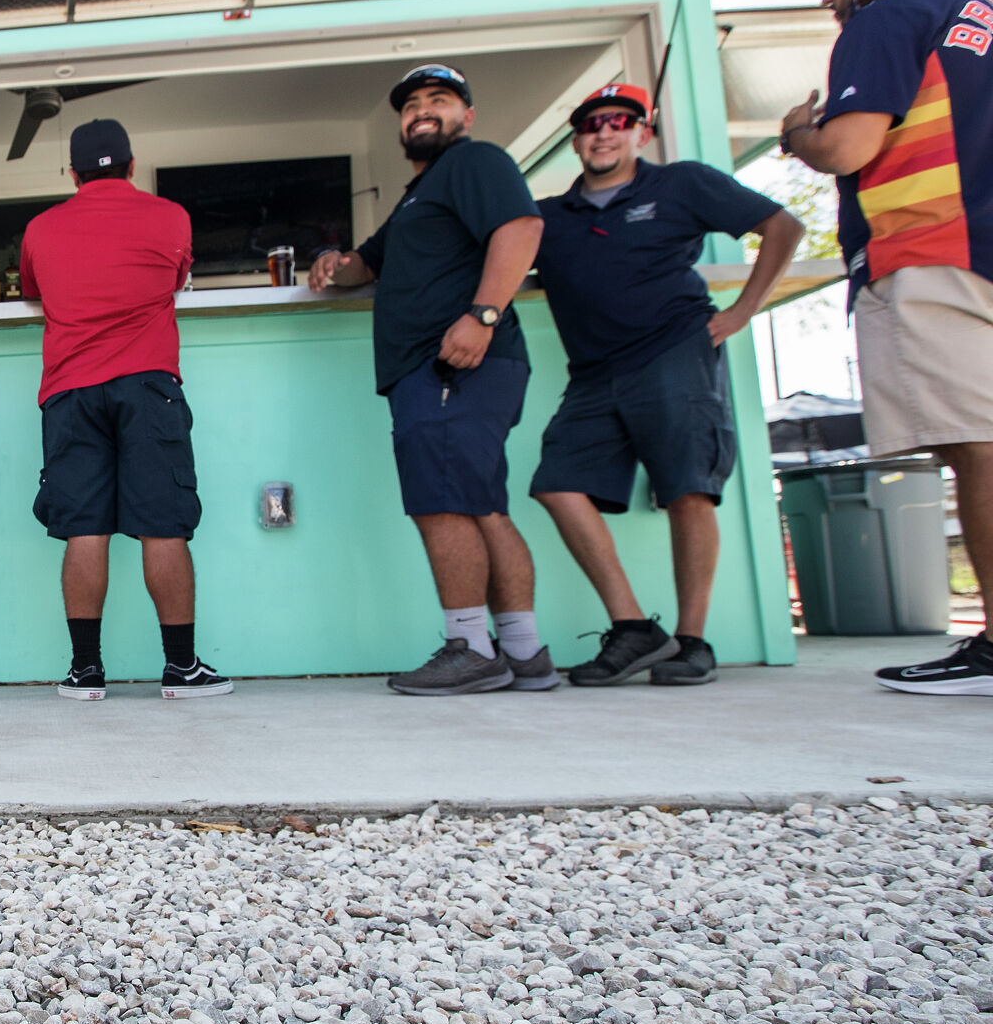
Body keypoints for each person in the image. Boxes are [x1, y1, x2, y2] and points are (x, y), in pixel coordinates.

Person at [780, 0, 993, 697]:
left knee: (975, 444)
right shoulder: (979, 7)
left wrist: (795, 135)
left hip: (934, 248)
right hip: (981, 245)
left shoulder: (887, 19)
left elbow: (848, 145)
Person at [531, 84, 804, 685]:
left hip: (673, 351)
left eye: (619, 122)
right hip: (593, 373)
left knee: (687, 490)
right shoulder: (548, 216)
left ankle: (693, 641)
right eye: (591, 124)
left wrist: (742, 312)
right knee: (556, 485)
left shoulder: (681, 183)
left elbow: (783, 226)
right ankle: (633, 630)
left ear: (641, 133)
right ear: (576, 139)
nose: (604, 132)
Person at [308, 64, 556, 694]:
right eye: (412, 103)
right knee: (479, 503)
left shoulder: (476, 163)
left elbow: (523, 228)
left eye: (439, 100)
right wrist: (334, 263)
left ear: (466, 116)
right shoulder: (422, 193)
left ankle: (470, 646)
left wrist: (482, 316)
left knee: (441, 504)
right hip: (446, 367)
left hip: (454, 361)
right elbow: (368, 264)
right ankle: (524, 652)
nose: (422, 110)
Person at [19, 119, 232, 701]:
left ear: (73, 172)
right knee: (162, 524)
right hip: (147, 387)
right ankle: (181, 669)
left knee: (84, 528)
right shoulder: (171, 218)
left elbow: (33, 292)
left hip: (69, 392)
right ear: (133, 165)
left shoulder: (40, 229)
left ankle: (85, 671)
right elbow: (176, 277)